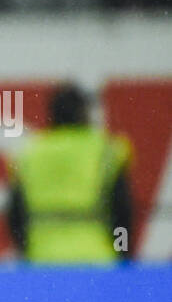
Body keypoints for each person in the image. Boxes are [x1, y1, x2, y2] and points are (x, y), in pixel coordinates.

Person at [7, 84, 133, 264]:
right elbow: (122, 213)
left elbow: (15, 217)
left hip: (43, 261)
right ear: (84, 114)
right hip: (97, 260)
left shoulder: (29, 155)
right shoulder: (106, 152)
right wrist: (123, 253)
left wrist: (28, 253)